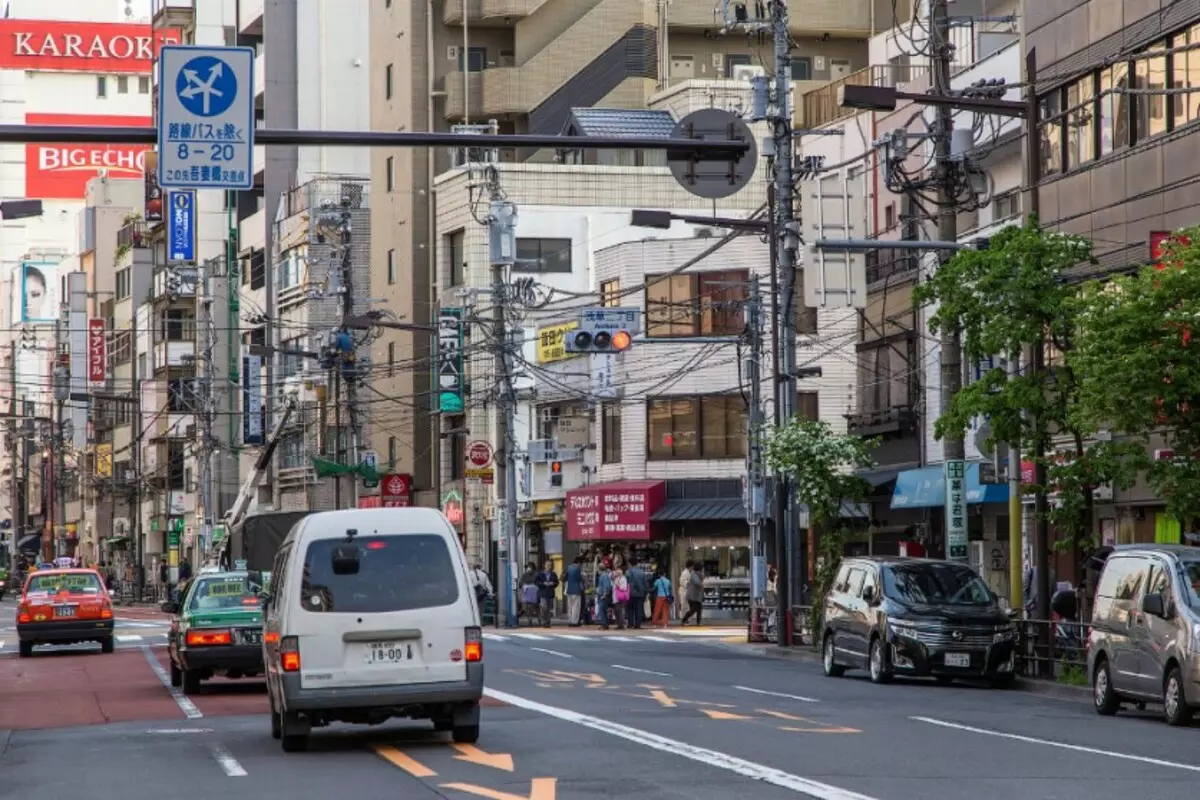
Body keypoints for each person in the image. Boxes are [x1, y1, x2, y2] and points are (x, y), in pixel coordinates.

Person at [535, 559, 559, 628]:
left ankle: (548, 622)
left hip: (550, 593)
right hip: (543, 593)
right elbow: (536, 582)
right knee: (544, 607)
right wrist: (543, 583)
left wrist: (553, 583)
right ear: (544, 565)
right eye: (548, 565)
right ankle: (543, 621)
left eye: (550, 565)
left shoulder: (553, 574)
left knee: (548, 608)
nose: (549, 566)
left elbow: (557, 582)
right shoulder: (540, 574)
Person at [625, 557, 648, 629]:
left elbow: (626, 583)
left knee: (630, 609)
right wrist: (646, 592)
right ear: (637, 563)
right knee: (639, 609)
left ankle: (630, 624)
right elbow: (645, 583)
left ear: (630, 563)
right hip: (640, 593)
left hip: (630, 593)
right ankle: (638, 624)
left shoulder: (628, 572)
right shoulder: (642, 572)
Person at [564, 556, 584, 627]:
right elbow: (579, 579)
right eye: (581, 564)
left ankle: (569, 620)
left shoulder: (568, 567)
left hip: (569, 589)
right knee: (576, 606)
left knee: (570, 606)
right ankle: (574, 622)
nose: (581, 565)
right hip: (576, 589)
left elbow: (564, 577)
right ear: (578, 563)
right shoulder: (577, 569)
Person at [610, 565, 629, 630]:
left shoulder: (623, 578)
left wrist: (618, 585)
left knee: (619, 611)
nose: (616, 571)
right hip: (616, 597)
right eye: (616, 570)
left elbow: (623, 588)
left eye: (618, 570)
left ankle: (621, 625)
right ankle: (619, 624)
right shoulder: (617, 578)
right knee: (616, 611)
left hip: (620, 597)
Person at [595, 563, 613, 630]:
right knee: (603, 610)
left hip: (602, 595)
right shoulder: (604, 575)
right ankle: (605, 624)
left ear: (599, 568)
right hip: (602, 594)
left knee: (601, 610)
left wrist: (604, 594)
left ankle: (604, 624)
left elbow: (607, 586)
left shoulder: (604, 575)